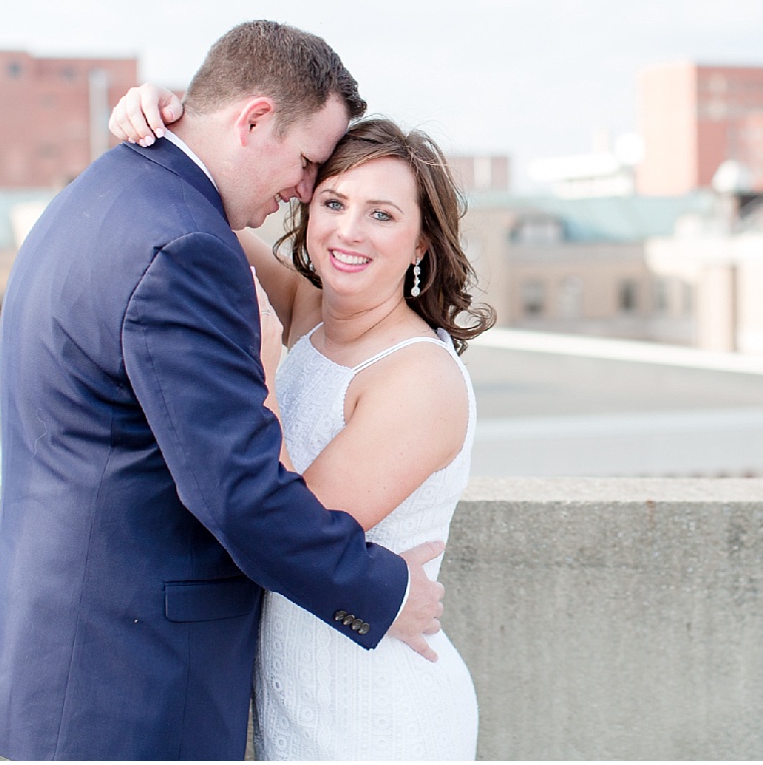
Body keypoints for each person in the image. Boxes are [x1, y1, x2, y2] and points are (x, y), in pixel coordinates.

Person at [0, 21, 446, 761]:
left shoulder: (115, 186)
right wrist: (382, 590)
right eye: (309, 166)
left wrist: (158, 121)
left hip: (71, 653)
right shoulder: (185, 248)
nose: (304, 192)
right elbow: (238, 495)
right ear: (254, 120)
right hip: (128, 679)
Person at [111, 89, 493, 759]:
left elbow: (290, 530)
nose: (349, 231)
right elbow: (205, 203)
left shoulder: (418, 377)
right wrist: (154, 123)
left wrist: (263, 372)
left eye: (381, 214)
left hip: (380, 712)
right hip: (300, 700)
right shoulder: (314, 309)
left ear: (420, 244)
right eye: (334, 203)